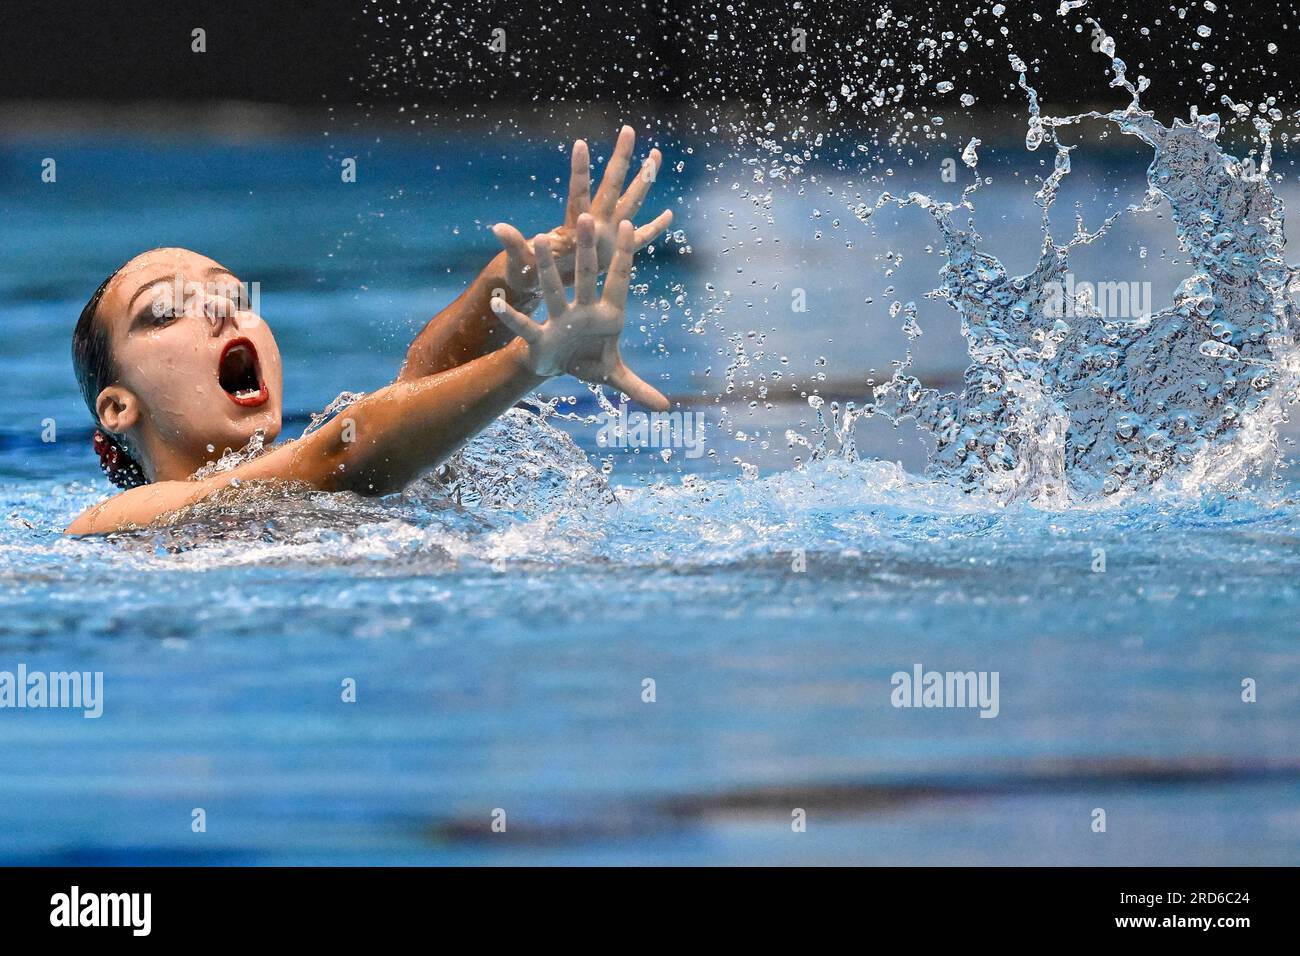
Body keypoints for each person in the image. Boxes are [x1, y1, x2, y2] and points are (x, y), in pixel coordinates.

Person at [65, 128, 672, 535]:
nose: (221, 312)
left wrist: (517, 279)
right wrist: (530, 361)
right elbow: (346, 453)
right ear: (118, 408)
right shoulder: (118, 520)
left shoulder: (309, 476)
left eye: (232, 294)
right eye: (166, 312)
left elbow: (419, 391)